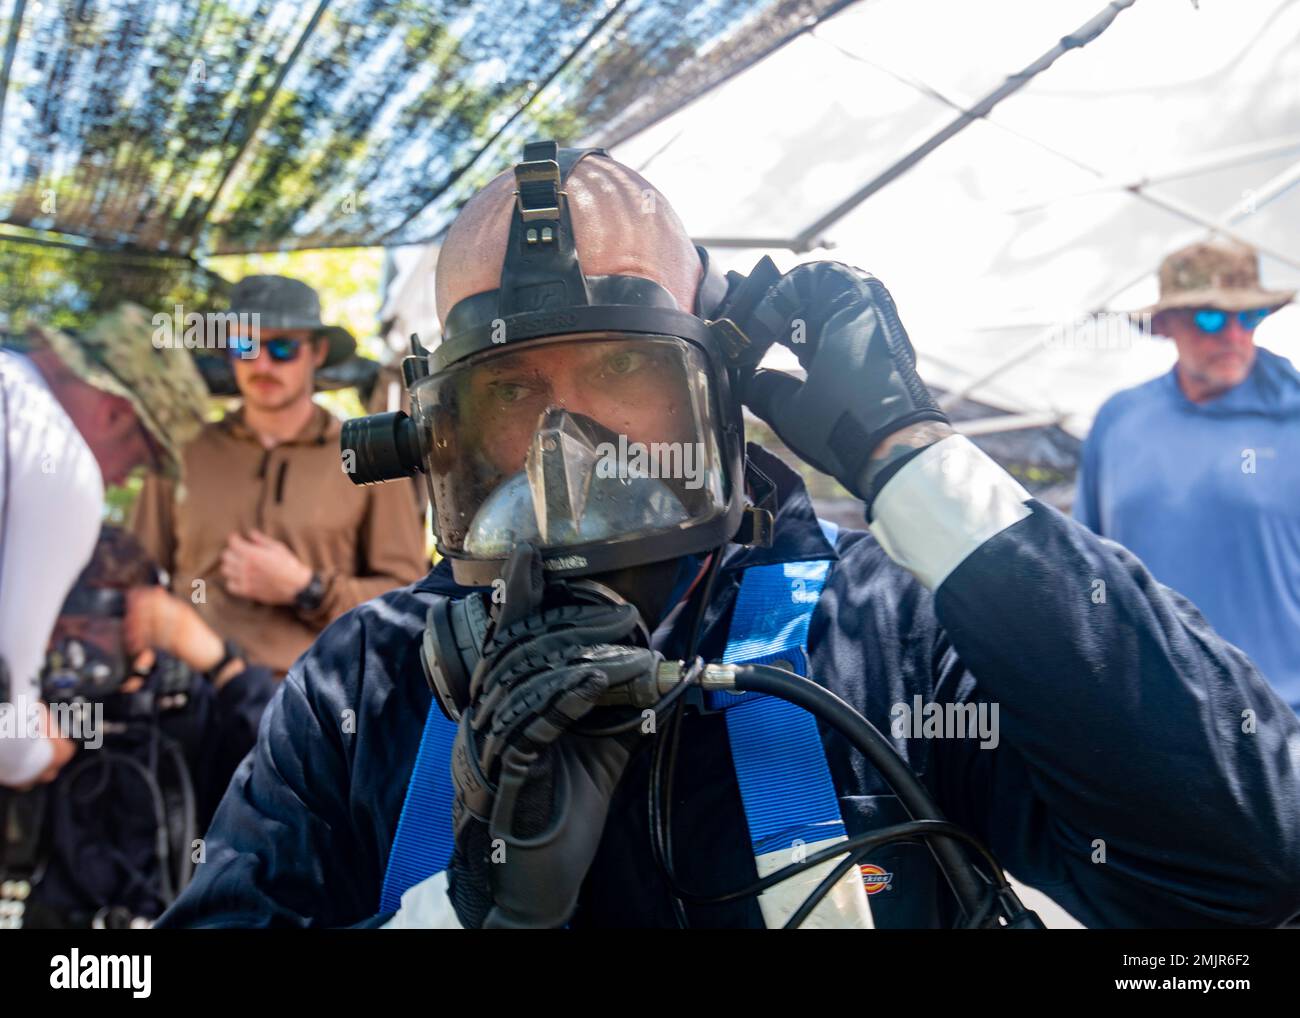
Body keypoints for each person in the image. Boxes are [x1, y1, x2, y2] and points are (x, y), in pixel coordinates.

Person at [158, 145, 1300, 930]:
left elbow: (1243, 871)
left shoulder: (886, 636)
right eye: (512, 392)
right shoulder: (365, 685)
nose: (571, 444)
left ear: (719, 382)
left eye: (619, 368)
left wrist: (910, 453)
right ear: (437, 428)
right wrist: (459, 908)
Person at [130, 276, 429, 674]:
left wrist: (308, 589)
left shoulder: (367, 455)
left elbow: (406, 600)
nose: (263, 364)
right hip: (192, 701)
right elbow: (134, 577)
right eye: (245, 345)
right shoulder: (182, 453)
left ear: (317, 351)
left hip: (316, 700)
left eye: (283, 347)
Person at [1, 527, 275, 928]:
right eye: (63, 630)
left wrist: (222, 665)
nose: (76, 649)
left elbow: (283, 775)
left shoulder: (190, 706)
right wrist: (19, 757)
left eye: (93, 630)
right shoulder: (42, 709)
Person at [1074, 238, 1300, 712]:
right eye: (1212, 318)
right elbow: (1085, 568)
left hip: (1284, 725)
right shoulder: (1119, 420)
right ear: (1165, 325)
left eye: (1249, 318)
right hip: (1151, 718)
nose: (1234, 335)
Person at [0, 304, 207, 790]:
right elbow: (6, 713)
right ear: (116, 412)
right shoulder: (62, 463)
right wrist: (44, 751)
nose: (120, 479)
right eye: (138, 459)